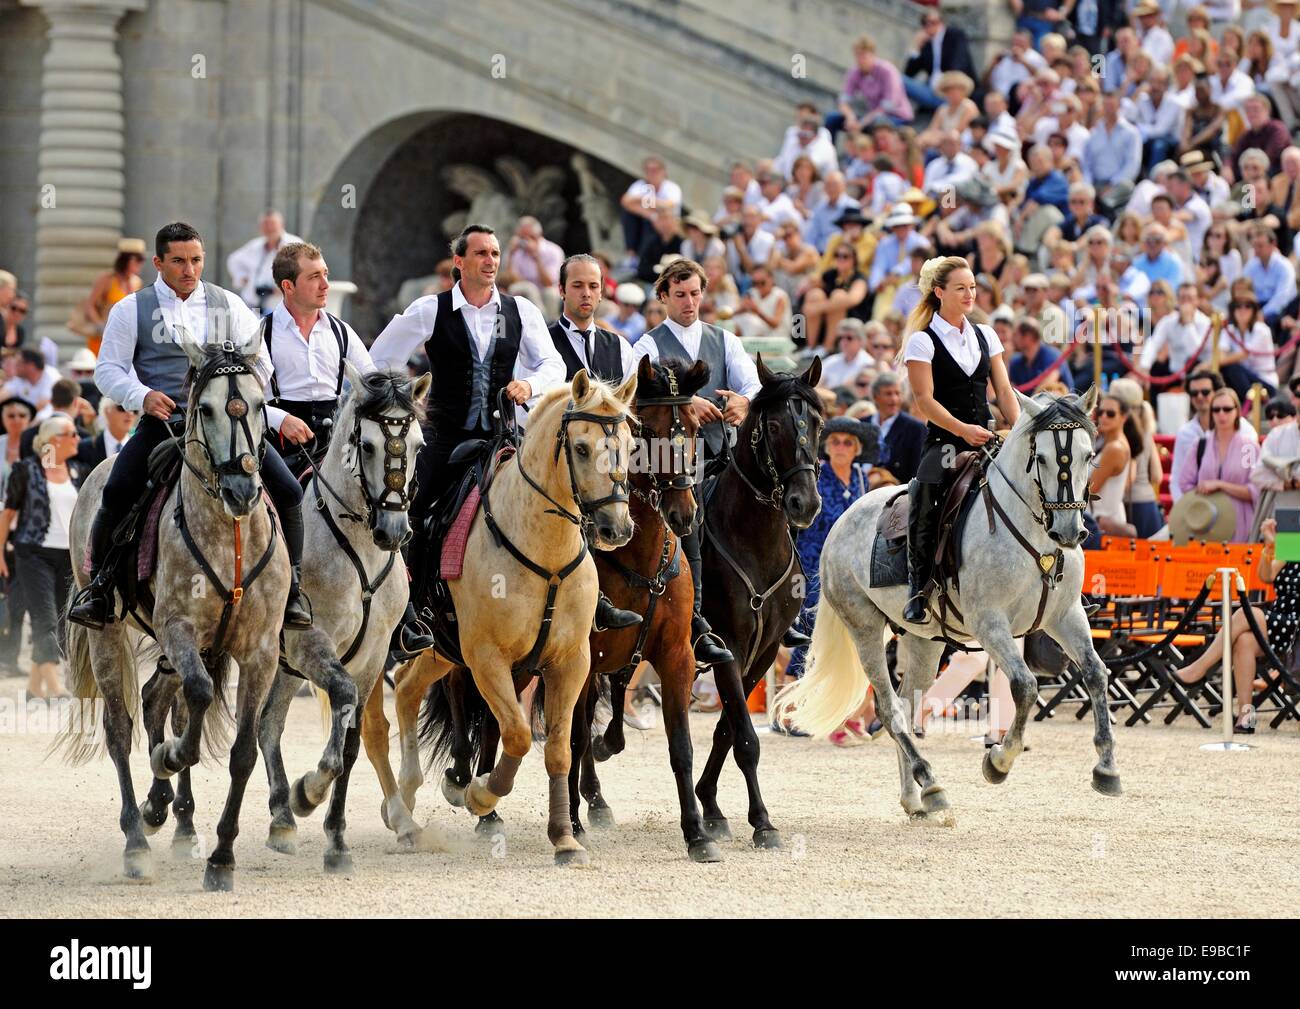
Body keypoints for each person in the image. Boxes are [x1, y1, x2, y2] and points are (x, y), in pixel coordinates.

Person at [69, 221, 313, 630]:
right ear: (158, 262)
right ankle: (99, 587)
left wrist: (238, 387)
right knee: (115, 488)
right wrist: (141, 395)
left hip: (229, 427)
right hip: (165, 424)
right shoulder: (131, 308)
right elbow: (107, 370)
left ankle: (292, 593)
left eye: (196, 260)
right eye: (179, 261)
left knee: (288, 491)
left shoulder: (230, 305)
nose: (189, 269)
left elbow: (263, 365)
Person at [369, 224, 565, 654]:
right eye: (480, 254)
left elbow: (553, 364)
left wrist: (530, 386)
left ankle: (581, 602)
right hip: (443, 435)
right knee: (411, 512)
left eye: (495, 253)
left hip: (504, 435)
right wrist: (405, 401)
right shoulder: (430, 309)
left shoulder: (520, 310)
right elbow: (378, 361)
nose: (490, 261)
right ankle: (409, 616)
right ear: (460, 262)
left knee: (564, 496)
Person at [633, 258, 762, 666]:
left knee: (769, 499)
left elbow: (753, 382)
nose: (689, 302)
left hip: (723, 454)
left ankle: (773, 602)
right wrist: (688, 401)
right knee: (694, 520)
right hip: (671, 460)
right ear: (664, 297)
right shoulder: (647, 345)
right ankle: (699, 622)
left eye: (694, 294)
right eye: (680, 295)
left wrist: (744, 400)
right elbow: (637, 394)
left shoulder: (724, 339)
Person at [902, 256, 1019, 623]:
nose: (970, 294)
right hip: (945, 440)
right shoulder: (922, 341)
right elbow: (925, 401)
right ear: (939, 292)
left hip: (987, 436)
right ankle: (918, 588)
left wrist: (1017, 431)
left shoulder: (986, 334)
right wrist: (962, 430)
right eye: (961, 288)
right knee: (926, 490)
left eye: (972, 287)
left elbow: (1002, 388)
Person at [545, 253, 641, 635]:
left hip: (609, 460)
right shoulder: (543, 340)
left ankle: (684, 609)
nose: (587, 294)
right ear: (562, 291)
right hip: (555, 459)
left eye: (594, 286)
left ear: (602, 293)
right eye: (578, 286)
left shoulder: (619, 347)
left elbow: (636, 401)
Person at [786, 416, 881, 744]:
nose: (840, 447)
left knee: (853, 639)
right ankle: (803, 713)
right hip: (814, 562)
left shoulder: (859, 477)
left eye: (847, 442)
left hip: (851, 567)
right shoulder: (817, 473)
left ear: (856, 449)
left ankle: (850, 712)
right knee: (814, 636)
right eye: (835, 441)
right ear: (825, 446)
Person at [255, 241, 375, 477]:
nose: (325, 285)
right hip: (279, 447)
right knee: (290, 494)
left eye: (325, 274)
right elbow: (241, 403)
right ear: (288, 286)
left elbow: (373, 385)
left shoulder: (342, 332)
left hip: (338, 447)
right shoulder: (261, 336)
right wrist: (279, 420)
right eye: (314, 277)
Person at [1174, 517, 1294, 733]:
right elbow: (1266, 575)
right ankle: (1246, 717)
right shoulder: (1295, 541)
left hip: (1295, 623)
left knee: (1245, 615)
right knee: (1244, 641)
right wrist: (1270, 546)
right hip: (1281, 615)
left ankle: (1201, 667)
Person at [0, 415, 83, 699]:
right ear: (53, 440)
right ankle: (55, 686)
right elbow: (8, 513)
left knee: (63, 620)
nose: (78, 439)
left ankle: (35, 687)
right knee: (44, 617)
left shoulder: (75, 471)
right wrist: (0, 552)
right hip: (32, 553)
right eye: (72, 434)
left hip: (68, 556)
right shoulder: (26, 469)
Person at [1175, 387, 1260, 541]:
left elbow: (1255, 490)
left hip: (1240, 525)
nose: (1221, 414)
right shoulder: (1200, 445)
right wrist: (1203, 492)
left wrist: (1220, 485)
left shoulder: (1248, 447)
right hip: (1205, 523)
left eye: (1227, 409)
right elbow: (1184, 483)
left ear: (1237, 411)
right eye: (1216, 409)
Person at [830, 36, 913, 140]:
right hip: (872, 117)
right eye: (857, 56)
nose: (860, 60)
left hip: (897, 117)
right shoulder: (855, 72)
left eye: (864, 56)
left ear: (873, 55)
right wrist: (850, 117)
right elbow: (843, 100)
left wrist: (862, 123)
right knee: (832, 119)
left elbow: (887, 107)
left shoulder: (887, 71)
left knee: (876, 125)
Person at [225, 210, 303, 314]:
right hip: (253, 303)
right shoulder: (255, 245)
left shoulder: (294, 244)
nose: (269, 228)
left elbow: (304, 269)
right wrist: (242, 277)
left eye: (272, 224)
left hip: (281, 304)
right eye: (265, 225)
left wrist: (287, 287)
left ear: (282, 225)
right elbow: (233, 260)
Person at [902, 6, 977, 113]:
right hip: (931, 92)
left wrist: (943, 84)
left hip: (950, 90)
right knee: (898, 78)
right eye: (925, 23)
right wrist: (916, 47)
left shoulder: (954, 35)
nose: (929, 26)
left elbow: (958, 63)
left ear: (941, 22)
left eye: (933, 22)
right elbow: (909, 73)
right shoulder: (926, 45)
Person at [78, 238, 146, 355]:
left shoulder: (137, 282)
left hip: (124, 339)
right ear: (126, 260)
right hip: (102, 338)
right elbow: (90, 304)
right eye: (138, 259)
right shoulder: (107, 279)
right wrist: (100, 326)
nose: (141, 264)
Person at [802, 244, 869, 350]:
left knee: (839, 296)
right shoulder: (830, 274)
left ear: (854, 260)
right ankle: (811, 347)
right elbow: (813, 287)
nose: (840, 259)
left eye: (845, 256)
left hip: (853, 317)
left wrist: (816, 308)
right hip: (828, 317)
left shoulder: (859, 278)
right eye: (837, 255)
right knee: (815, 295)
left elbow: (853, 299)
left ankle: (828, 347)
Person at [1089, 394, 1138, 538]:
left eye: (1110, 414)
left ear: (1123, 417)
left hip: (1102, 526)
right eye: (1100, 412)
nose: (1103, 417)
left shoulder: (1115, 448)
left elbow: (1090, 489)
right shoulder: (1107, 443)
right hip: (1103, 520)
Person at [619, 157, 682, 265]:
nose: (651, 173)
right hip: (652, 221)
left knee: (652, 221)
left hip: (669, 225)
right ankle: (632, 256)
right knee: (629, 216)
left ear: (663, 171)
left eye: (655, 170)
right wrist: (651, 215)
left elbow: (668, 206)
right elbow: (625, 202)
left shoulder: (671, 187)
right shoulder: (640, 185)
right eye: (648, 170)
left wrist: (642, 201)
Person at [1218, 290, 1279, 399]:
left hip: (1264, 381)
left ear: (1254, 310)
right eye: (1238, 306)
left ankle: (1249, 406)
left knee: (1231, 367)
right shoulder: (1229, 330)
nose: (1243, 310)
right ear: (1233, 310)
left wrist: (1206, 365)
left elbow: (1242, 355)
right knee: (1226, 370)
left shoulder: (1262, 330)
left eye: (1248, 306)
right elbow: (1221, 356)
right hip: (1242, 380)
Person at [504, 216, 564, 316]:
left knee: (550, 293)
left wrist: (536, 257)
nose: (525, 241)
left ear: (539, 236)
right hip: (525, 290)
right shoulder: (515, 251)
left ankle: (547, 323)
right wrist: (511, 255)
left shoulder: (553, 251)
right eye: (522, 237)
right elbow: (509, 280)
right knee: (522, 289)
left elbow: (549, 282)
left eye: (530, 237)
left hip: (546, 291)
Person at [872, 371, 925, 485]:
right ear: (876, 397)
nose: (894, 399)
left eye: (897, 393)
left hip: (896, 493)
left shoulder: (915, 428)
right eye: (888, 393)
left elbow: (916, 470)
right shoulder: (863, 423)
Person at [1009, 317, 1073, 391]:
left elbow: (1045, 389)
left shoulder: (1053, 356)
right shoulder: (1016, 362)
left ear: (1028, 337)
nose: (1012, 338)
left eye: (1016, 335)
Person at [731, 264, 792, 341]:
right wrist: (742, 309)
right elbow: (734, 314)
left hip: (778, 339)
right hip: (759, 337)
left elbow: (775, 324)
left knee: (749, 321)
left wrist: (757, 311)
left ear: (771, 279)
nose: (758, 286)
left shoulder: (780, 296)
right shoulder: (752, 293)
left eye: (762, 282)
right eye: (755, 283)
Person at [75, 397, 135, 472]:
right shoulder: (84, 448)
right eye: (122, 408)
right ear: (107, 412)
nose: (130, 413)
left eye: (134, 410)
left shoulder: (140, 448)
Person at [818, 319, 871, 389]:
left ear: (861, 340)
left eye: (849, 338)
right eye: (841, 338)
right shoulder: (830, 361)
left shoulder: (868, 363)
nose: (844, 341)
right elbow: (817, 386)